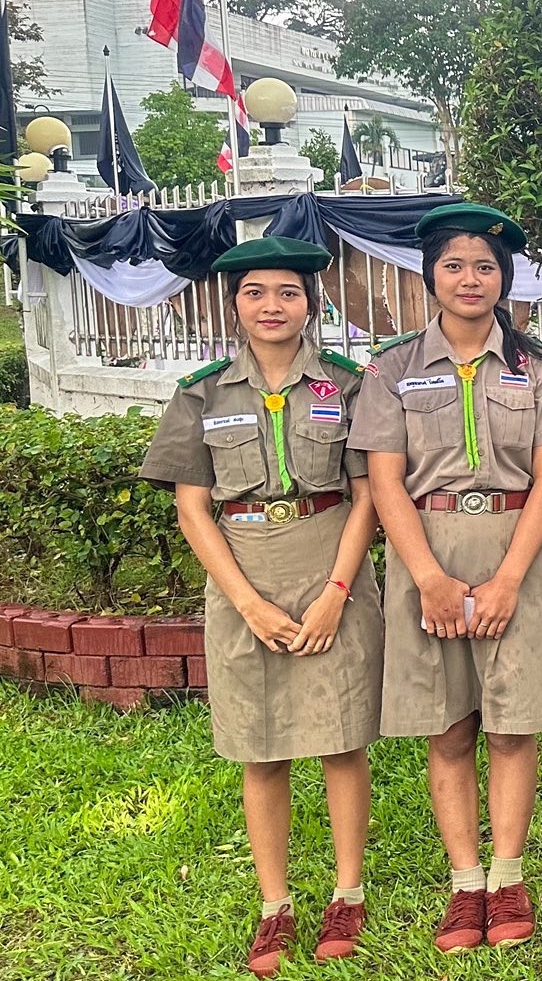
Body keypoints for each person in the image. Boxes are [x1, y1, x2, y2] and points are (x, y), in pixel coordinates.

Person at [139, 237, 383, 977]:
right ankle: (275, 904)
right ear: (235, 303)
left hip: (329, 565)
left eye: (287, 292)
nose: (272, 306)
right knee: (262, 747)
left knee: (342, 741)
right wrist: (245, 603)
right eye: (255, 293)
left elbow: (370, 494)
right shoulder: (202, 392)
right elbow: (193, 511)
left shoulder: (347, 383)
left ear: (312, 302)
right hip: (244, 578)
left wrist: (338, 593)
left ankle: (348, 892)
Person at [347, 203, 542, 954]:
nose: (470, 279)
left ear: (503, 278)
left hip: (516, 551)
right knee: (448, 728)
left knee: (511, 726)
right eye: (455, 266)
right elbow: (384, 482)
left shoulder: (537, 367)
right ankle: (465, 883)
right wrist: (427, 578)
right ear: (431, 277)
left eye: (485, 266)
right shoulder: (391, 369)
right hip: (428, 554)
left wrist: (509, 578)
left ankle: (508, 879)